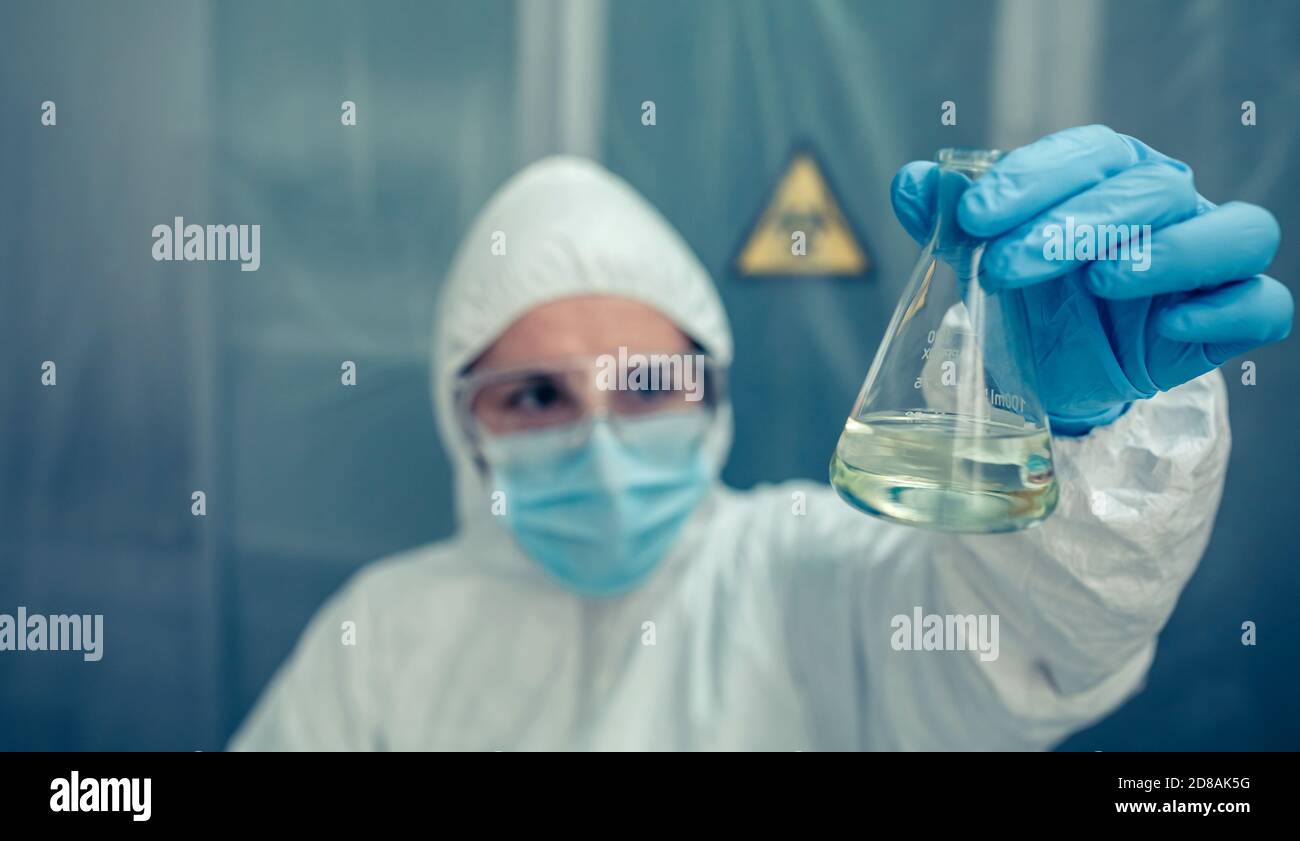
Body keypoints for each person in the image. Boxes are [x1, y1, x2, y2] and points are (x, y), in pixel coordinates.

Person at [230, 126, 1291, 750]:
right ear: (464, 427)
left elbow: (1023, 649)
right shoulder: (386, 628)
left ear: (712, 395)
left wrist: (1076, 428)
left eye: (649, 383)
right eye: (537, 397)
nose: (600, 439)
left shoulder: (799, 571)